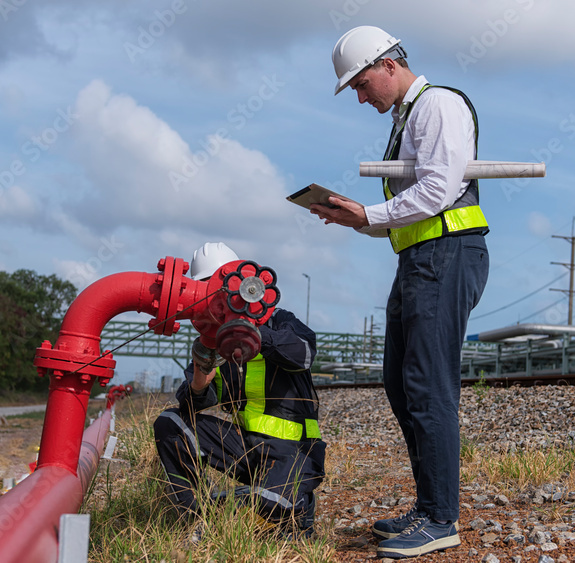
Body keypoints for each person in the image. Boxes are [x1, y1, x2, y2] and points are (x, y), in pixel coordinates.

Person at [311, 26, 490, 558]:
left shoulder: (437, 106)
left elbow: (438, 190)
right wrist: (357, 220)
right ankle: (429, 505)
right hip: (419, 258)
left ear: (389, 64)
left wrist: (369, 214)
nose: (362, 98)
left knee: (428, 385)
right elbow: (408, 210)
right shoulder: (407, 117)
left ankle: (440, 517)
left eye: (363, 84)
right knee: (399, 381)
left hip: (447, 254)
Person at [152, 242, 326, 540]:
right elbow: (193, 404)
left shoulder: (280, 321)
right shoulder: (212, 339)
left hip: (294, 449)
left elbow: (305, 354)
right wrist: (200, 377)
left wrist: (252, 333)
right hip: (247, 449)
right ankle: (195, 516)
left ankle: (297, 503)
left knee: (272, 505)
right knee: (170, 424)